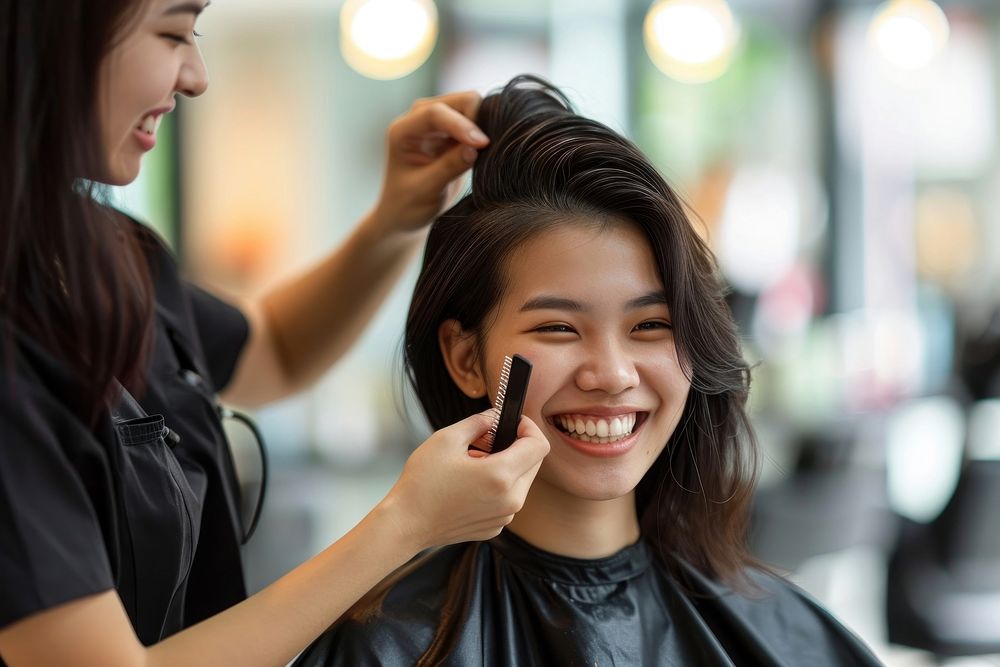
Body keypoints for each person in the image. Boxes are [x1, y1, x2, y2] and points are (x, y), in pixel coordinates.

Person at [0, 1, 550, 665]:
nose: (197, 76)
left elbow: (276, 350)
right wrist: (403, 524)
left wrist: (393, 220)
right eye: (174, 33)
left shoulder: (112, 255)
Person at [295, 76, 884, 666]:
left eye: (651, 326)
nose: (612, 374)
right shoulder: (389, 646)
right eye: (558, 328)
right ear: (466, 359)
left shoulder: (786, 635)